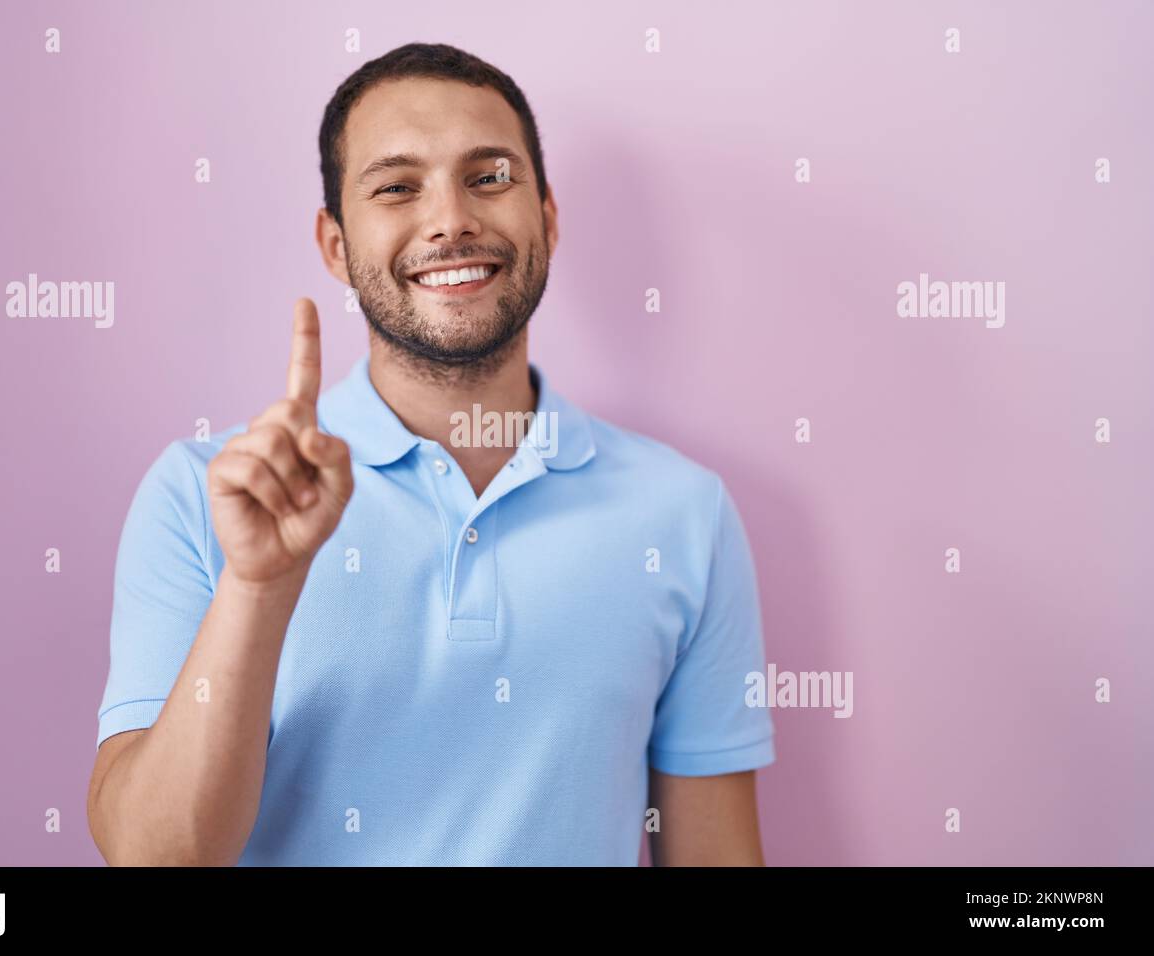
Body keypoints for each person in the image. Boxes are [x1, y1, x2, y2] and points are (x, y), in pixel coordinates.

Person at [87, 42, 774, 866]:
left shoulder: (683, 512)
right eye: (397, 187)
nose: (451, 220)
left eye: (489, 177)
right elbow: (155, 857)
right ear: (336, 246)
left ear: (548, 219)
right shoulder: (199, 494)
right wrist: (259, 586)